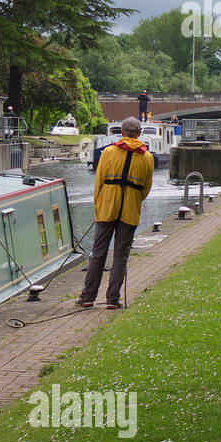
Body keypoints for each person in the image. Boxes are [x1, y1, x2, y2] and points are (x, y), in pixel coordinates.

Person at [78, 116, 154, 310]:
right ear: (139, 134)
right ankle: (112, 299)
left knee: (98, 253)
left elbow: (99, 183)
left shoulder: (108, 152)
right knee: (121, 255)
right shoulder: (147, 157)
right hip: (130, 209)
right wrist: (134, 199)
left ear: (122, 132)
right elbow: (146, 188)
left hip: (107, 207)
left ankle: (88, 296)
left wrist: (99, 206)